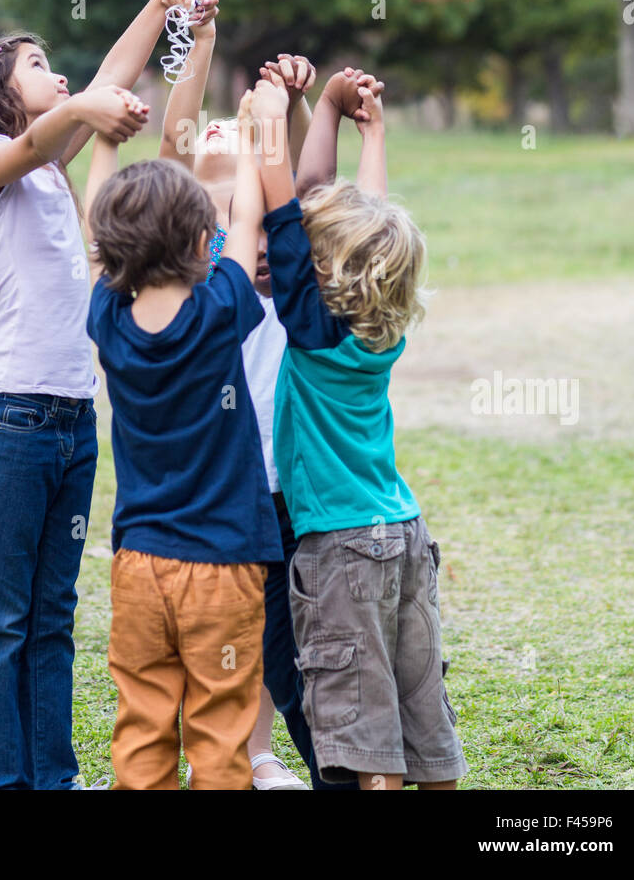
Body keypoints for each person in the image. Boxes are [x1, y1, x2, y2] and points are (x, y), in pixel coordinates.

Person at [0, 0, 217, 790]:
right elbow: (40, 139)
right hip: (11, 417)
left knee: (53, 616)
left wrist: (160, 8)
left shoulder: (49, 170)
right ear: (1, 95)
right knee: (0, 617)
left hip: (74, 420)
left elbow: (103, 83)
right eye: (40, 65)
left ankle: (52, 778)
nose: (62, 76)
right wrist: (82, 113)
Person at [249, 66, 468, 790]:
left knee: (360, 734)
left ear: (318, 268)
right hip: (404, 533)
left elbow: (283, 207)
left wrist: (270, 119)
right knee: (420, 711)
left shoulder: (307, 329)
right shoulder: (384, 329)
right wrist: (365, 126)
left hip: (339, 546)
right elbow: (369, 226)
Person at [161, 36, 352, 789]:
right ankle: (234, 747)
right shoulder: (196, 260)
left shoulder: (281, 251)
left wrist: (302, 102)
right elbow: (178, 141)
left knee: (279, 626)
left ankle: (263, 749)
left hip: (284, 471)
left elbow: (310, 180)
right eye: (214, 188)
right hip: (217, 475)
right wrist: (199, 46)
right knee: (224, 621)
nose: (228, 202)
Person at [85, 88, 283, 790]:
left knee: (141, 722)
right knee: (220, 729)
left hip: (138, 561)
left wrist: (101, 137)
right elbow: (252, 217)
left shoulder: (108, 317)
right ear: (206, 242)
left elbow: (94, 233)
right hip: (224, 564)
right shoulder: (222, 305)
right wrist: (263, 134)